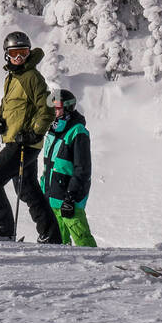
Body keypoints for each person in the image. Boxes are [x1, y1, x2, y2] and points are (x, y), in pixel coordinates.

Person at [0, 31, 60, 243]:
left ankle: (1, 230)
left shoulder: (31, 77)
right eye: (14, 53)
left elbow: (48, 108)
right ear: (6, 55)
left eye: (23, 53)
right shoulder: (12, 78)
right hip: (17, 140)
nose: (19, 58)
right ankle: (51, 236)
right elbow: (8, 106)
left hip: (23, 143)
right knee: (27, 189)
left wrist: (34, 132)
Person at [40, 88, 97, 247]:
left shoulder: (78, 131)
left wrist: (71, 197)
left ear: (68, 108)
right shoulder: (53, 130)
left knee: (82, 238)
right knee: (57, 244)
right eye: (53, 107)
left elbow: (82, 169)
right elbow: (49, 166)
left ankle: (97, 268)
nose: (54, 111)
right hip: (52, 198)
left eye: (57, 108)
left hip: (69, 199)